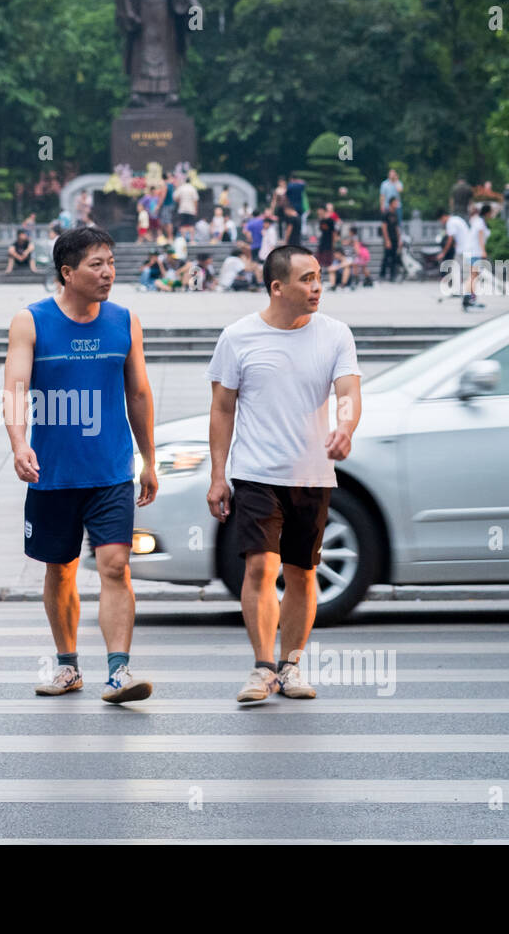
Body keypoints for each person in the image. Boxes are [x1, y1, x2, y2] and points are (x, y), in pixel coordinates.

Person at [2, 226, 158, 703]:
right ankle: (68, 666)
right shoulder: (30, 322)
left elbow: (138, 392)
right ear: (67, 272)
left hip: (110, 471)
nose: (108, 272)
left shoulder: (124, 320)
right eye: (96, 264)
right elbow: (15, 389)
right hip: (53, 473)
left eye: (110, 261)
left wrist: (148, 459)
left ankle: (119, 672)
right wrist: (18, 443)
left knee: (115, 567)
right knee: (61, 569)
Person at [205, 245, 362, 703]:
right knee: (260, 566)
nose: (317, 288)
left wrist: (346, 425)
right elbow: (221, 407)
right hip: (257, 472)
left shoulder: (335, 334)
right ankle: (262, 667)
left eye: (319, 277)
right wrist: (219, 475)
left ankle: (291, 665)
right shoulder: (238, 337)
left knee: (302, 572)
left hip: (312, 474)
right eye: (306, 279)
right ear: (277, 287)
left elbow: (348, 389)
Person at [466, 203, 492, 310]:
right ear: (488, 213)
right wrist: (483, 251)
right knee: (473, 276)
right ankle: (468, 298)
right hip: (475, 252)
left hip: (471, 251)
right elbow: (481, 238)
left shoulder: (477, 221)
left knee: (473, 276)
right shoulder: (480, 222)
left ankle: (471, 298)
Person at [379, 197, 401, 281]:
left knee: (394, 257)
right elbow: (384, 227)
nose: (397, 204)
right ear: (391, 203)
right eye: (395, 202)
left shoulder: (395, 214)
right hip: (388, 239)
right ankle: (382, 275)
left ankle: (392, 276)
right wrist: (387, 240)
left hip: (395, 238)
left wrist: (399, 240)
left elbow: (396, 228)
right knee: (386, 256)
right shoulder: (386, 213)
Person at [315, 205, 337, 278]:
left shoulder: (330, 221)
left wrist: (333, 243)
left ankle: (330, 276)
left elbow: (334, 233)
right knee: (318, 259)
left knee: (328, 260)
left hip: (328, 243)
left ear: (323, 210)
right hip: (322, 242)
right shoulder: (321, 220)